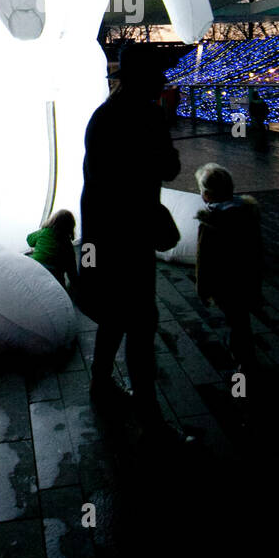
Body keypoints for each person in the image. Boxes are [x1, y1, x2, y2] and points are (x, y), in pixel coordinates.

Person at [80, 43, 193, 444]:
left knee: (116, 314)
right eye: (158, 75)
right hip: (132, 236)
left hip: (104, 234)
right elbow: (169, 167)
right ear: (145, 80)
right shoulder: (147, 116)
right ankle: (150, 419)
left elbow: (99, 181)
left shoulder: (103, 116)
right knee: (142, 324)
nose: (163, 81)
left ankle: (101, 382)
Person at [193, 163, 263, 371]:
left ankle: (243, 360)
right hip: (247, 277)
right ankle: (244, 354)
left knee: (236, 320)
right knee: (241, 318)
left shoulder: (210, 222)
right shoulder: (247, 213)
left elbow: (203, 259)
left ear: (205, 195)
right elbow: (257, 248)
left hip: (224, 284)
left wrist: (202, 289)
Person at [25, 209, 77, 287]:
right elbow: (72, 272)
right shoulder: (68, 245)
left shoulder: (44, 232)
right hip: (55, 278)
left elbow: (29, 240)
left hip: (36, 269)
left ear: (52, 220)